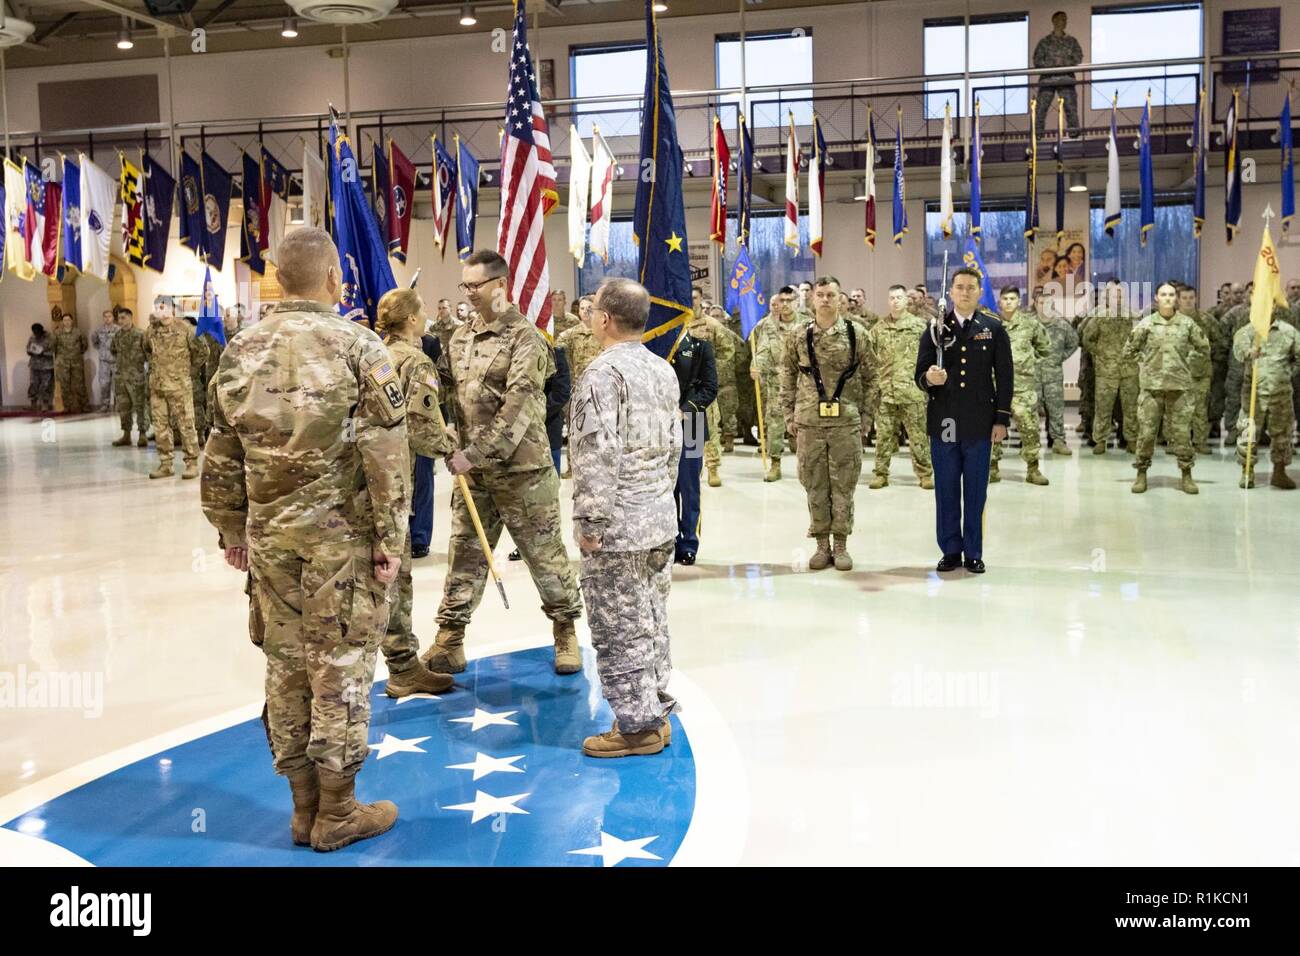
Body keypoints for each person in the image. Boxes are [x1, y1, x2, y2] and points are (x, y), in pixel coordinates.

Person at [201, 227, 408, 852]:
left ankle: (302, 808)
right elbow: (385, 450)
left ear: (279, 280)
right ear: (333, 279)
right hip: (339, 544)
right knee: (340, 668)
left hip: (269, 543)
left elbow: (220, 450)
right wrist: (391, 536)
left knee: (286, 669)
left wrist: (231, 529)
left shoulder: (240, 348)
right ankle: (338, 812)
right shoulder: (358, 346)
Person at [423, 250, 584, 676]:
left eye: (476, 286)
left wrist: (471, 454)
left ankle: (565, 629)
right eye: (465, 286)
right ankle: (450, 637)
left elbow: (520, 411)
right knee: (466, 555)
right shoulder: (459, 338)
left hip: (522, 471)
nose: (469, 294)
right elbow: (444, 390)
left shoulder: (525, 338)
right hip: (474, 474)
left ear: (500, 285)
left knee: (544, 556)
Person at [570, 278, 682, 758]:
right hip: (658, 515)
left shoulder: (603, 374)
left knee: (620, 626)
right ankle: (654, 705)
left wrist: (590, 523)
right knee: (652, 618)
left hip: (620, 526)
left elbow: (597, 453)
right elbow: (676, 445)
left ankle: (637, 728)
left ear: (603, 319)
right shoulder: (662, 370)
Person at [373, 288, 458, 696]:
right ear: (410, 320)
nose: (424, 318)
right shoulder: (417, 362)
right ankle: (403, 666)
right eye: (421, 311)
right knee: (396, 575)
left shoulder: (370, 355)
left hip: (364, 481)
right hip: (395, 482)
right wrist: (450, 447)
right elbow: (423, 429)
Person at [916, 268, 1013, 574]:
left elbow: (1006, 377)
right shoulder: (935, 328)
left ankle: (973, 551)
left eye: (971, 287)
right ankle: (950, 550)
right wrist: (929, 378)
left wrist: (1001, 419)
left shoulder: (993, 328)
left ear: (980, 291)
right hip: (945, 419)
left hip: (979, 421)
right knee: (946, 487)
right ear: (951, 292)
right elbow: (919, 373)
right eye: (959, 287)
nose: (965, 292)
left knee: (975, 489)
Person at [781, 276, 871, 571]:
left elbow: (873, 377)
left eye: (831, 295)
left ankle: (841, 544)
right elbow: (788, 376)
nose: (825, 300)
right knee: (814, 482)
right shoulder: (797, 335)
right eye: (820, 295)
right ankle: (821, 544)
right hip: (809, 421)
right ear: (812, 299)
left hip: (846, 420)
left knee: (844, 483)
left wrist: (868, 415)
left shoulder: (857, 334)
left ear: (840, 299)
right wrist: (789, 415)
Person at [1123, 281, 1210, 495]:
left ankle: (1186, 474)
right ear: (1156, 298)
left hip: (1179, 387)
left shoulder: (1187, 324)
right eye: (1164, 294)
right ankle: (1141, 474)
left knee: (1181, 433)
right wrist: (1144, 361)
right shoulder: (1146, 324)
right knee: (1147, 433)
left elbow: (1204, 348)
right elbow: (1128, 350)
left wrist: (1187, 362)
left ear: (1176, 299)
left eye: (1172, 295)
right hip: (1152, 388)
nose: (1168, 298)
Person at [867, 285, 933, 490]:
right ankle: (880, 473)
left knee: (918, 436)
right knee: (884, 437)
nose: (895, 301)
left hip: (913, 391)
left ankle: (925, 474)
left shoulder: (920, 326)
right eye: (892, 298)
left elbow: (930, 356)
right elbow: (870, 359)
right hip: (886, 391)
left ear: (906, 301)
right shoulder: (878, 328)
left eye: (899, 297)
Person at [990, 286, 1051, 485]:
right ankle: (992, 468)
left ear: (1019, 301)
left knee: (1029, 428)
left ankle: (1033, 469)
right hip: (995, 388)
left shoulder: (1030, 324)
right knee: (993, 427)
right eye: (1005, 298)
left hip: (1023, 387)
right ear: (1000, 301)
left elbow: (1044, 349)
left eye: (1012, 298)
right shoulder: (991, 325)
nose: (1008, 302)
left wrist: (1029, 365)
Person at [1232, 309, 1298, 489]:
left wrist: (1286, 374)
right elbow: (1238, 352)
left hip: (1281, 393)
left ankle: (1279, 472)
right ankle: (1247, 472)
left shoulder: (1289, 331)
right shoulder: (1247, 331)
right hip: (1253, 393)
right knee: (1248, 433)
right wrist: (1248, 353)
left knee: (1282, 434)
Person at [668, 326, 718, 565]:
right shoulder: (658, 345)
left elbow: (710, 388)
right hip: (661, 426)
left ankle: (688, 543)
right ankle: (668, 540)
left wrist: (685, 410)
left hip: (693, 425)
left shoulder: (700, 346)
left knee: (689, 488)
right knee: (665, 488)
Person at [144, 296, 201, 480]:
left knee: (186, 425)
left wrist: (186, 372)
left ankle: (191, 463)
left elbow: (202, 352)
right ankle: (166, 464)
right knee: (160, 427)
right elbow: (145, 350)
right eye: (159, 309)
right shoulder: (151, 331)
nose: (163, 312)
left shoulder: (186, 329)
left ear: (173, 309)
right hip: (157, 388)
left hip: (179, 387)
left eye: (166, 308)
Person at [751, 287, 801, 480]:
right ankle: (775, 463)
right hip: (777, 384)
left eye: (789, 300)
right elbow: (762, 348)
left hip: (803, 385)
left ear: (797, 301)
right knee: (775, 424)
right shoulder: (769, 325)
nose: (785, 304)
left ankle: (807, 465)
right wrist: (756, 365)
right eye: (782, 300)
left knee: (806, 424)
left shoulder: (807, 323)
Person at [1083, 280, 1138, 454]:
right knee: (1103, 408)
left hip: (1129, 370)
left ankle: (1132, 440)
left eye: (1120, 295)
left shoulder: (1133, 316)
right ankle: (1100, 440)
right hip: (1106, 371)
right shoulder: (1099, 317)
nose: (1118, 298)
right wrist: (1100, 354)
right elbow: (1087, 339)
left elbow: (1142, 339)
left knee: (1131, 408)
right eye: (1114, 295)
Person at [685, 303, 734, 487]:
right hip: (687, 388)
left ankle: (713, 467)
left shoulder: (712, 325)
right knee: (693, 427)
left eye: (695, 298)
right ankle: (694, 469)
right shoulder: (680, 324)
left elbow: (727, 349)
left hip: (705, 388)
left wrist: (711, 372)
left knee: (711, 427)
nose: (692, 302)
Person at [557, 295, 600, 478]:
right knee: (575, 432)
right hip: (577, 391)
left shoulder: (604, 332)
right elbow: (556, 349)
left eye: (590, 308)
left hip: (600, 391)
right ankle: (573, 468)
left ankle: (599, 466)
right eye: (582, 308)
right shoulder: (571, 334)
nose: (585, 312)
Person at [1177, 284, 1224, 455]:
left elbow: (1220, 342)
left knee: (1200, 408)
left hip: (1201, 372)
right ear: (1178, 300)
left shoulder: (1206, 319)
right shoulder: (1171, 320)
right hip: (1177, 372)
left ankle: (1200, 441)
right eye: (1184, 298)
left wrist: (1210, 359)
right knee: (1178, 409)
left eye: (1191, 298)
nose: (1188, 301)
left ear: (1196, 298)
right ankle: (1179, 443)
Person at [1033, 287, 1079, 455]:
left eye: (1048, 302)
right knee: (1031, 410)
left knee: (1056, 409)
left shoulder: (1061, 324)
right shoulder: (1029, 324)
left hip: (1053, 375)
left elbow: (1074, 342)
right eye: (1041, 302)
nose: (1044, 305)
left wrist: (1061, 357)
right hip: (1033, 375)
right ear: (1036, 304)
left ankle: (1058, 440)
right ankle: (1031, 442)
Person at [1033, 10, 1083, 137]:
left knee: (1071, 107)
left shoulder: (1071, 41)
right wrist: (1053, 63)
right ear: (1054, 21)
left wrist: (1063, 62)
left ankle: (1073, 133)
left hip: (1066, 77)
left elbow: (1078, 57)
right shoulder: (1045, 42)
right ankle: (1037, 134)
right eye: (1061, 19)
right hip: (1048, 78)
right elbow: (1037, 60)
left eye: (1065, 19)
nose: (1064, 22)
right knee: (1041, 108)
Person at [110, 308, 149, 447]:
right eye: (119, 318)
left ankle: (142, 434)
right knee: (123, 407)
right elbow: (113, 350)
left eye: (123, 318)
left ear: (131, 318)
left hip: (136, 376)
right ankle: (126, 434)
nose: (121, 321)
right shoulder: (117, 336)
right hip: (121, 377)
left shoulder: (141, 334)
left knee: (140, 406)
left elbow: (148, 353)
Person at [52, 312, 89, 414]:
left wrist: (76, 354)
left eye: (68, 320)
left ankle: (85, 406)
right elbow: (53, 346)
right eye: (65, 320)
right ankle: (67, 407)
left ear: (72, 321)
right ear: (62, 322)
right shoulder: (57, 333)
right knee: (64, 386)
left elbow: (84, 345)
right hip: (62, 363)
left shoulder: (79, 331)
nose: (67, 322)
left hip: (76, 361)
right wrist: (60, 357)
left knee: (80, 385)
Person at [91, 310, 119, 412]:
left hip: (116, 361)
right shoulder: (98, 330)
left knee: (117, 384)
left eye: (109, 316)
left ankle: (118, 405)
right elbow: (95, 342)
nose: (107, 318)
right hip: (104, 362)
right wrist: (103, 351)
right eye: (105, 317)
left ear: (113, 318)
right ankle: (105, 405)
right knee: (104, 384)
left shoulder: (118, 330)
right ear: (103, 318)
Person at [26, 323, 55, 411]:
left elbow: (54, 351)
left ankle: (45, 404)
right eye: (34, 332)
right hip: (34, 365)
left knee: (45, 385)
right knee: (33, 384)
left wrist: (43, 353)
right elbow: (28, 348)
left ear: (41, 331)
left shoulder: (49, 338)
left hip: (46, 366)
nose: (35, 333)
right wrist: (29, 351)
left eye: (37, 332)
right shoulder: (32, 337)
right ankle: (33, 404)